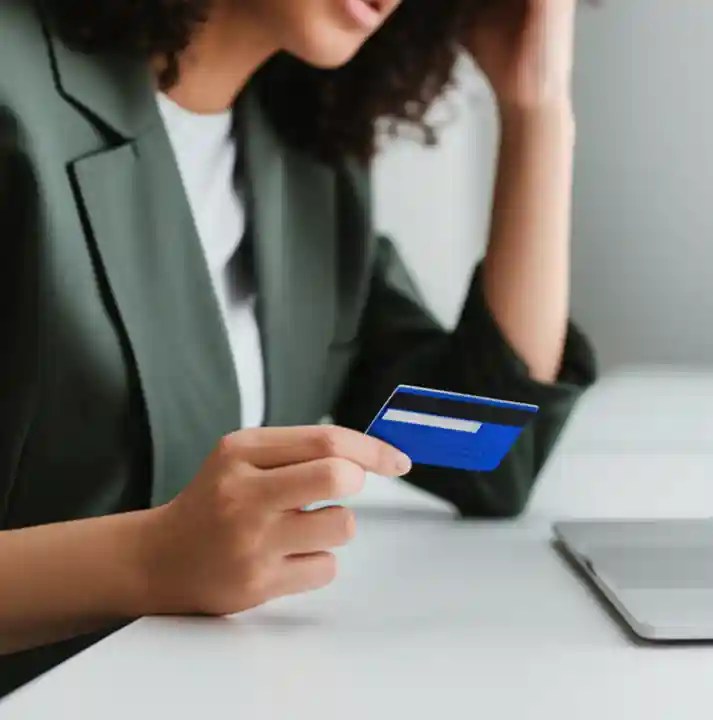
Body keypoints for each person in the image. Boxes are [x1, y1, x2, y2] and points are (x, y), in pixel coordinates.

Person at [0, 0, 596, 695]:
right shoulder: (15, 93)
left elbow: (483, 449)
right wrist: (148, 560)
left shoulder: (305, 157)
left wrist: (537, 109)